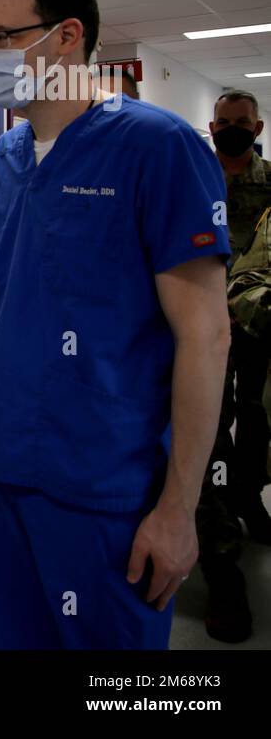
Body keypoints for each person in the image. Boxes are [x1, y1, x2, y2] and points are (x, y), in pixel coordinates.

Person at [0, 0, 230, 649]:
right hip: (2, 466)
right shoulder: (4, 158)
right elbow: (12, 303)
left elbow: (206, 338)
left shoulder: (157, 146)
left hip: (105, 483)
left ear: (65, 37)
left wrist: (180, 507)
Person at [196, 89, 271, 642]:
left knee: (257, 420)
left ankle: (250, 498)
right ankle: (222, 557)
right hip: (203, 326)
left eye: (241, 122)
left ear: (259, 126)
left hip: (260, 324)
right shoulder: (194, 173)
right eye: (223, 122)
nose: (231, 129)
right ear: (212, 124)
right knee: (211, 433)